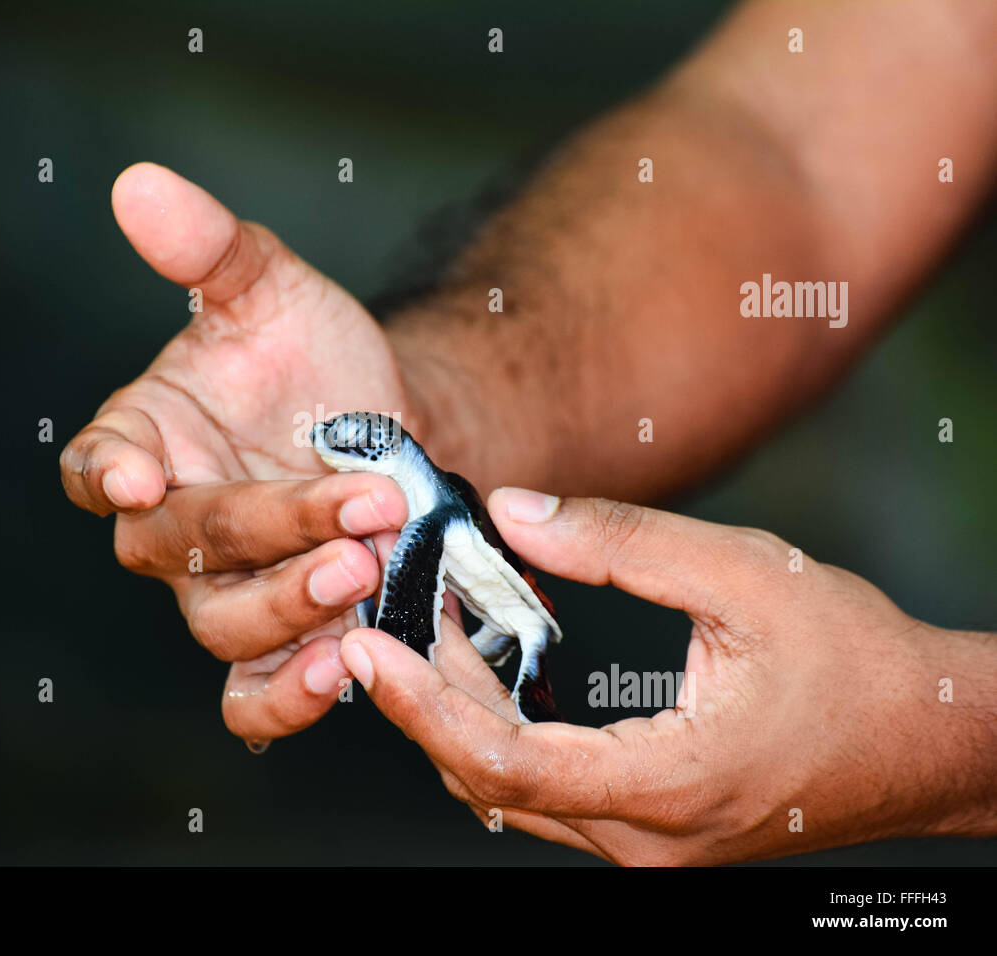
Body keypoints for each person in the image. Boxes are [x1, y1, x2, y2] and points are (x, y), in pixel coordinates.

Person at [59, 0, 997, 863]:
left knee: (490, 620)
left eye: (364, 434)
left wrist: (957, 738)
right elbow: (799, 151)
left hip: (505, 590)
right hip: (471, 536)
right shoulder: (408, 474)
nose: (351, 440)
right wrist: (445, 399)